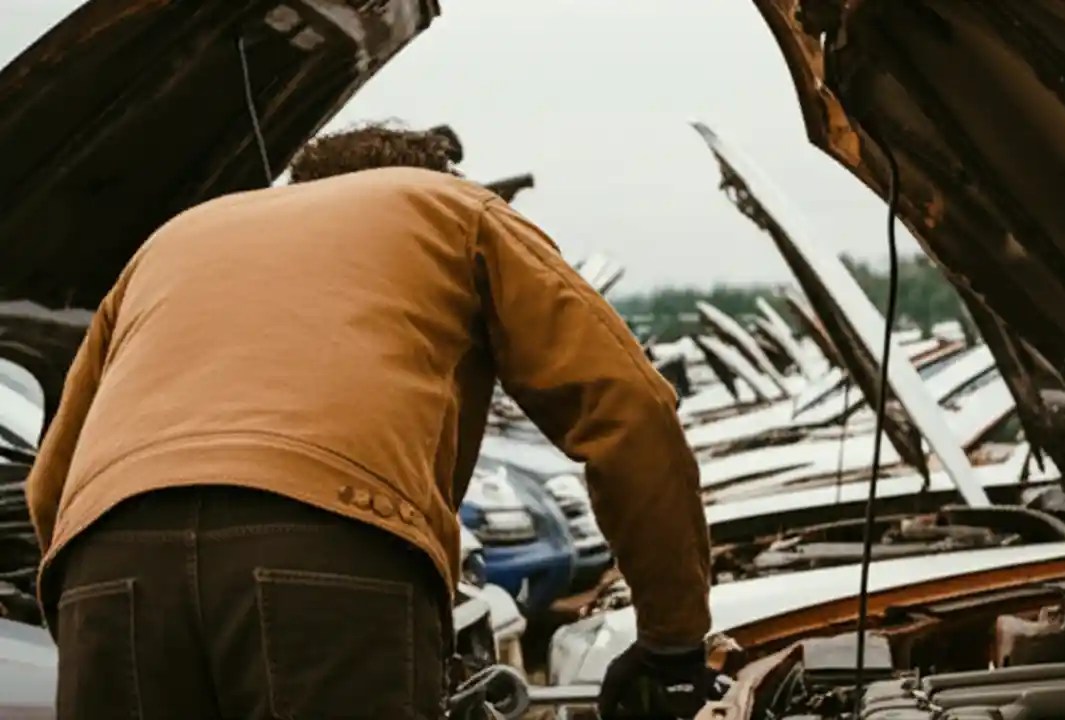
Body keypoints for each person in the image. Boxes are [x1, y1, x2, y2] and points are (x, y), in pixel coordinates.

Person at [27, 123, 712, 719]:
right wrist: (672, 645)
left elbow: (48, 486)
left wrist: (114, 607)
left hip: (106, 563)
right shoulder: (450, 206)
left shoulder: (173, 240)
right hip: (328, 549)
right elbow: (628, 409)